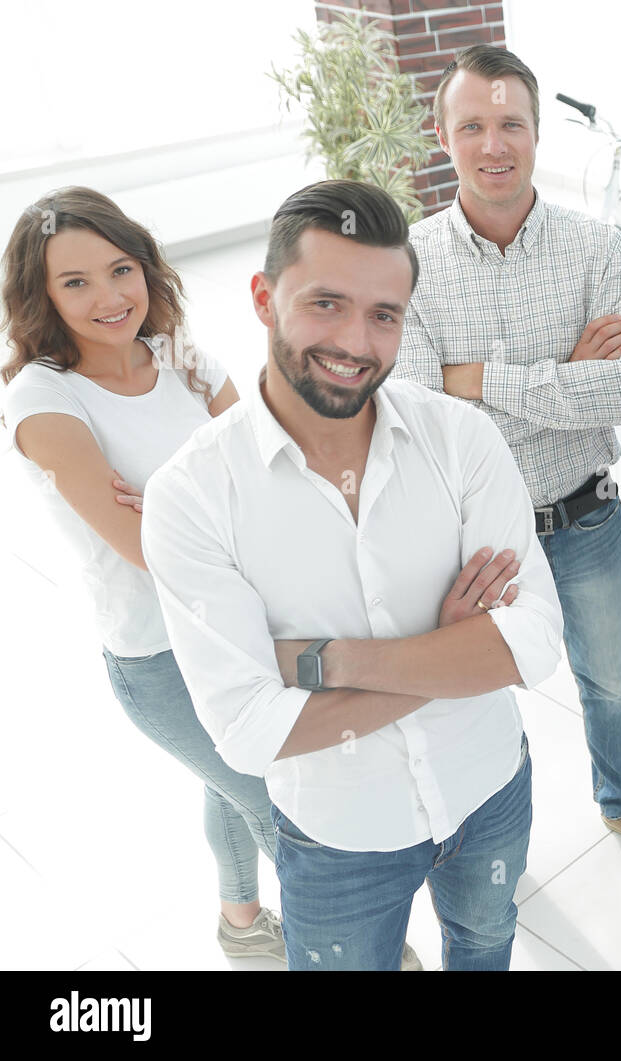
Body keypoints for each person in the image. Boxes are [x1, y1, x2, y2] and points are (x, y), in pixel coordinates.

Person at [139, 179, 564, 971]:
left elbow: (533, 642)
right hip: (341, 836)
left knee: (484, 943)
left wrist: (327, 660)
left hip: (488, 786)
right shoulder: (191, 496)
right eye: (325, 303)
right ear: (264, 297)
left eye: (384, 315)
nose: (357, 343)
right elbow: (251, 731)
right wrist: (456, 652)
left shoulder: (460, 437)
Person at [393, 44, 621, 878]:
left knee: (611, 679)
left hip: (583, 511)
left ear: (535, 134)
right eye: (473, 126)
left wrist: (480, 377)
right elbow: (420, 410)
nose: (495, 144)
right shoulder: (410, 263)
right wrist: (566, 369)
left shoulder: (597, 248)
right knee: (485, 694)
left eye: (511, 124)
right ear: (444, 136)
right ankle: (495, 838)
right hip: (472, 534)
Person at [0, 186, 285, 961]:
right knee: (274, 799)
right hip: (159, 655)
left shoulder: (180, 357)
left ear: (147, 268)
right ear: (41, 296)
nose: (108, 297)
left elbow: (275, 479)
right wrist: (190, 509)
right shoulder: (41, 398)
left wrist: (165, 502)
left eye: (120, 269)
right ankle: (347, 944)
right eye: (76, 282)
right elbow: (146, 552)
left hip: (240, 626)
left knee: (228, 780)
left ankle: (239, 922)